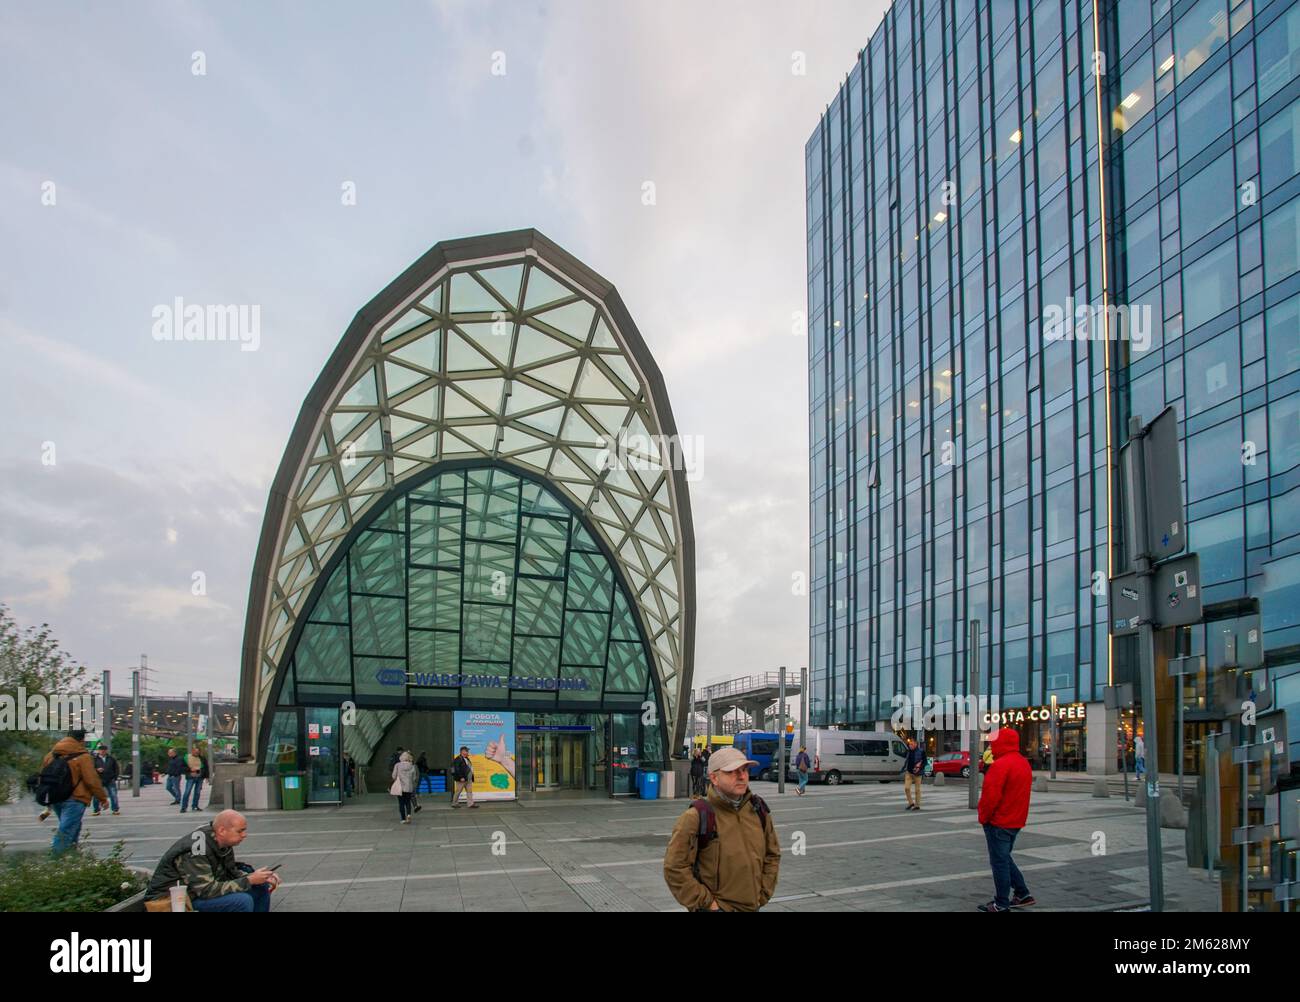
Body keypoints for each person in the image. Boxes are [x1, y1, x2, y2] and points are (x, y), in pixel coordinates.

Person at [664, 747, 781, 912]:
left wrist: (764, 892)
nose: (741, 776)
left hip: (753, 906)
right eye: (732, 772)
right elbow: (674, 867)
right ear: (714, 778)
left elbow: (772, 854)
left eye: (744, 770)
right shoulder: (697, 816)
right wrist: (708, 904)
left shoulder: (758, 809)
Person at [146, 809, 280, 912]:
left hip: (194, 894)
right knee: (241, 901)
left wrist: (258, 877)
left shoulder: (222, 843)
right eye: (240, 831)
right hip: (175, 900)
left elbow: (230, 874)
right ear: (222, 830)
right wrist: (249, 880)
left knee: (260, 887)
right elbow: (205, 890)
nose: (244, 835)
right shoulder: (196, 849)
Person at [976, 727, 1035, 912]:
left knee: (999, 862)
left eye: (993, 743)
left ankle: (1001, 903)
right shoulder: (1023, 763)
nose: (991, 747)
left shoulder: (1000, 765)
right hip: (1016, 820)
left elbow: (990, 797)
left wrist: (984, 818)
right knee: (1004, 858)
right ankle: (1022, 893)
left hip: (999, 821)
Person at [37, 729, 109, 855]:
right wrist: (102, 798)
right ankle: (56, 860)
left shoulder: (50, 755)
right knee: (66, 829)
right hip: (75, 798)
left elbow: (43, 776)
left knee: (72, 826)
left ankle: (71, 856)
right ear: (81, 740)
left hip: (56, 797)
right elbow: (91, 780)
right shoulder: (83, 756)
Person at [91, 746, 121, 816]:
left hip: (110, 779)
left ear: (106, 751)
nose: (103, 751)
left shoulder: (111, 759)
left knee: (113, 795)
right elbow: (90, 769)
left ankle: (115, 809)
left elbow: (116, 768)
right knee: (96, 795)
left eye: (104, 750)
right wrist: (97, 770)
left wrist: (114, 777)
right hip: (98, 779)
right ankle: (96, 810)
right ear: (98, 751)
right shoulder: (94, 759)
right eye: (101, 750)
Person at [180, 748, 209, 813]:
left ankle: (195, 806)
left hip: (200, 777)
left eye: (198, 752)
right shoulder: (186, 758)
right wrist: (189, 770)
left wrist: (207, 777)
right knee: (187, 792)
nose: (197, 753)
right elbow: (181, 767)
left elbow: (206, 767)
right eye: (195, 752)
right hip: (191, 777)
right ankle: (184, 807)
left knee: (197, 792)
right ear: (192, 751)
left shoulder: (202, 758)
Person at [392, 750, 417, 823]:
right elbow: (414, 778)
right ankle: (408, 815)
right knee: (407, 802)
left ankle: (403, 819)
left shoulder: (397, 765)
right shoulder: (412, 766)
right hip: (409, 787)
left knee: (401, 803)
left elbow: (394, 776)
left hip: (400, 787)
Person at [902, 736, 925, 811]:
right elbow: (906, 760)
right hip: (909, 772)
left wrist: (919, 766)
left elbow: (925, 762)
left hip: (918, 774)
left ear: (915, 744)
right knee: (906, 788)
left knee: (917, 790)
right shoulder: (908, 751)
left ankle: (917, 805)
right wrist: (903, 768)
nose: (910, 745)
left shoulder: (921, 751)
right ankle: (911, 803)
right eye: (909, 744)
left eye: (911, 744)